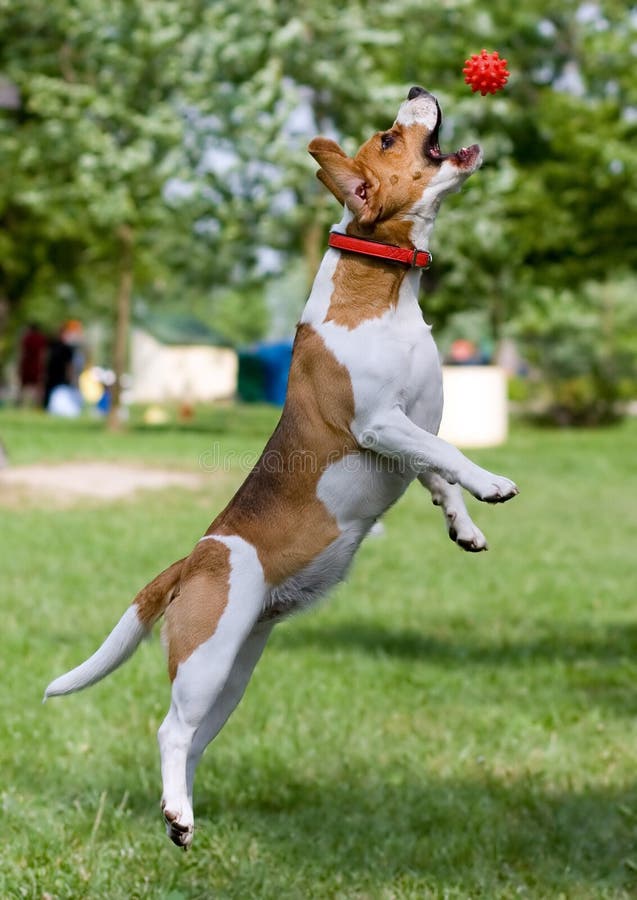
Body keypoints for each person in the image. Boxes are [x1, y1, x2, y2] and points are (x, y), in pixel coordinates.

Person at [18, 322, 47, 406]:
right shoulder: (41, 338)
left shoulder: (26, 338)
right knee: (38, 387)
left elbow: (22, 352)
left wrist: (19, 365)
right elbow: (43, 353)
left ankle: (21, 404)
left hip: (27, 364)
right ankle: (37, 405)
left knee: (23, 386)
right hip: (37, 365)